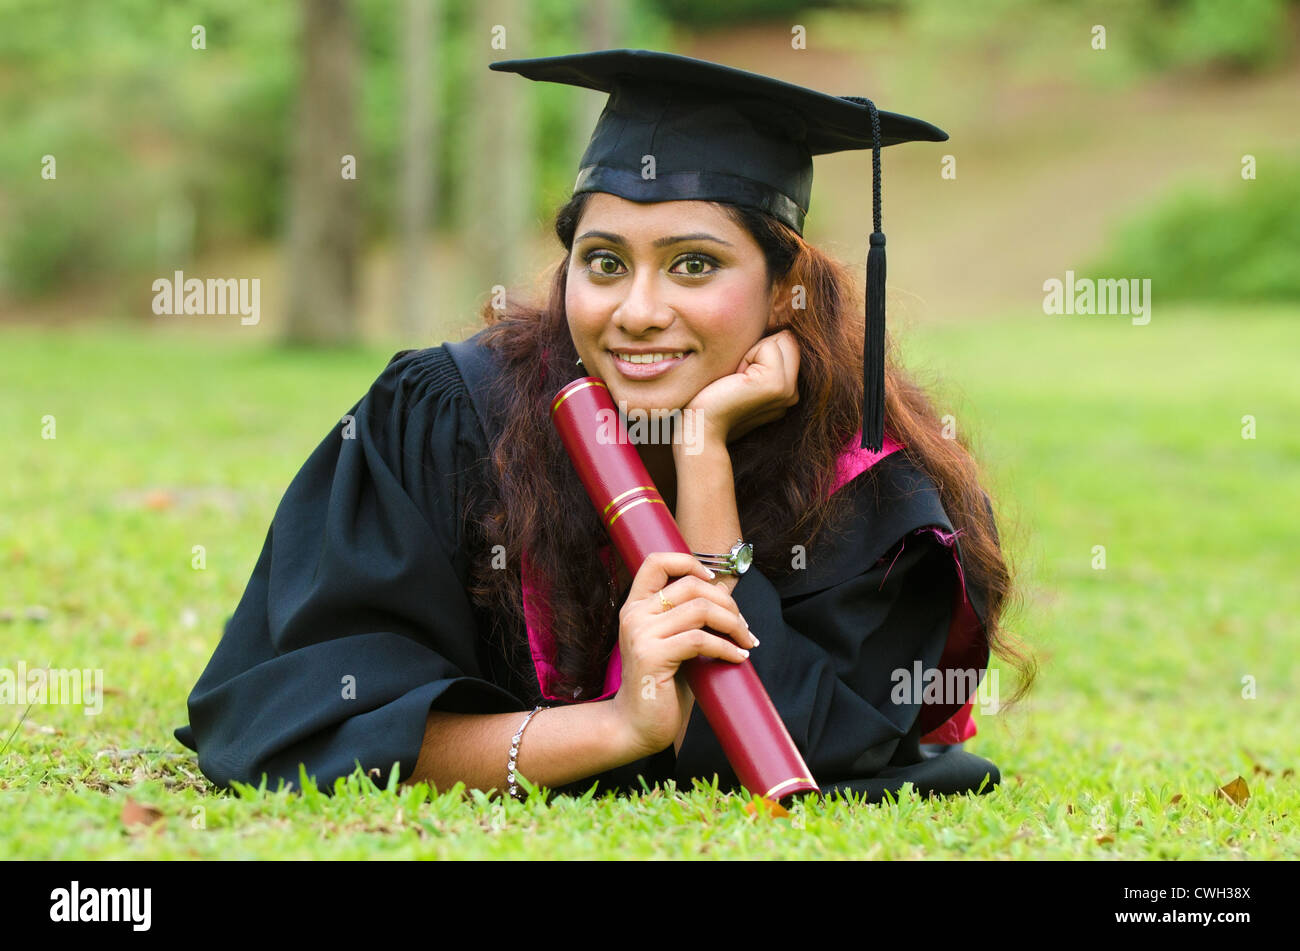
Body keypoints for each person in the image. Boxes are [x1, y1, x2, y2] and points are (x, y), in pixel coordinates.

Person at [174, 48, 1035, 804]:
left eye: (695, 264)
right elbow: (302, 721)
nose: (638, 310)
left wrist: (704, 460)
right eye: (605, 262)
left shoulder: (861, 471)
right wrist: (615, 729)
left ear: (783, 289)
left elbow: (807, 749)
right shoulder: (449, 418)